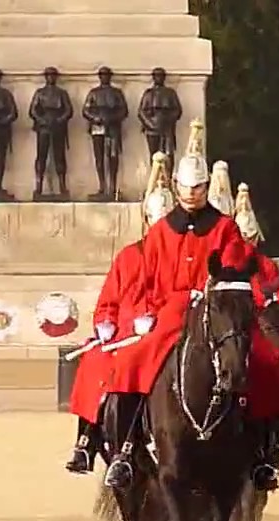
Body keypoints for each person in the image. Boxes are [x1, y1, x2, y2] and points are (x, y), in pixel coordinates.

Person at [100, 120, 279, 491]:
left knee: (259, 365)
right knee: (129, 366)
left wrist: (221, 286)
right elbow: (144, 277)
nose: (192, 194)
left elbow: (239, 262)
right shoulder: (160, 231)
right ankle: (125, 450)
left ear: (206, 187)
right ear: (175, 187)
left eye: (198, 187)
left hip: (216, 309)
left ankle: (263, 451)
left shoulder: (225, 227)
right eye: (186, 187)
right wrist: (143, 313)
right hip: (169, 313)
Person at [64, 153, 169, 473]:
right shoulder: (128, 256)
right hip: (124, 331)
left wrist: (158, 320)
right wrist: (106, 324)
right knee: (95, 362)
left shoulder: (180, 255)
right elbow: (109, 298)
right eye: (156, 222)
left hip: (164, 330)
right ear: (148, 221)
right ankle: (86, 441)